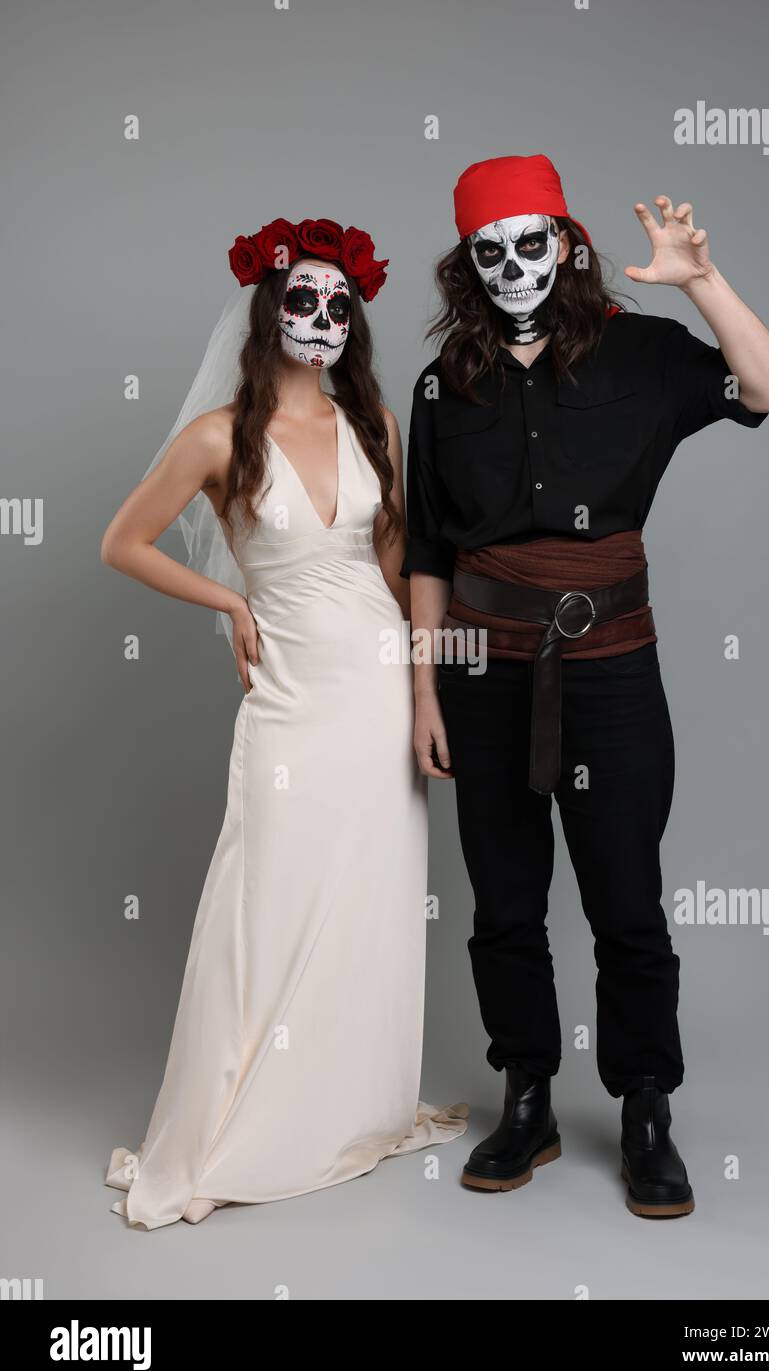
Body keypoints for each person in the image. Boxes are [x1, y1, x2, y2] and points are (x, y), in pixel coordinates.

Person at [402, 155, 769, 1216]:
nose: (513, 266)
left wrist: (699, 279)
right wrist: (424, 691)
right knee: (502, 901)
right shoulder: (447, 383)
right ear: (468, 264)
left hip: (612, 665)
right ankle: (524, 1095)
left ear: (568, 245)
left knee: (627, 898)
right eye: (491, 251)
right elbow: (429, 549)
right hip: (480, 666)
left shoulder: (646, 351)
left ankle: (646, 1108)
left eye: (533, 243)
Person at [101, 215, 467, 1230]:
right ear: (268, 310)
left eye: (339, 304)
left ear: (355, 319)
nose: (321, 317)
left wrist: (434, 685)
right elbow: (121, 541)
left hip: (378, 682)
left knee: (369, 896)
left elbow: (398, 571)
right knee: (264, 899)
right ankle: (237, 1122)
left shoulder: (377, 424)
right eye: (302, 300)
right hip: (292, 695)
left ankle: (346, 1109)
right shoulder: (219, 435)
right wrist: (228, 603)